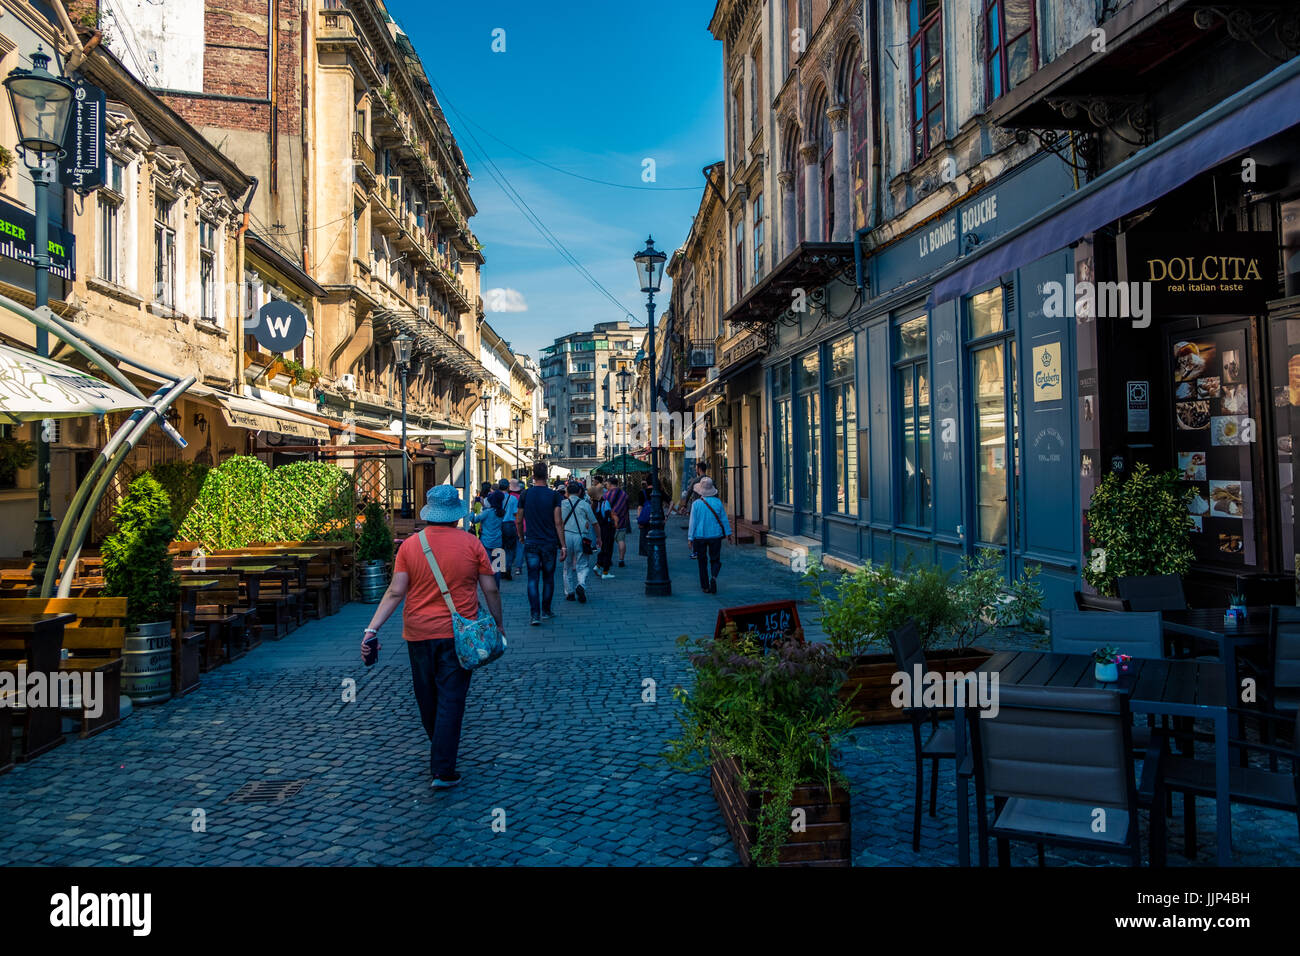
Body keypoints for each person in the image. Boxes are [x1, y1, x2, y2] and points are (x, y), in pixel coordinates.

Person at [361, 484, 504, 789]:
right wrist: (497, 623)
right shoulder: (471, 544)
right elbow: (490, 588)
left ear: (429, 514)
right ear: (455, 515)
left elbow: (395, 591)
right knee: (452, 697)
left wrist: (372, 629)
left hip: (418, 633)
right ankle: (443, 768)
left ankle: (440, 749)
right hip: (460, 634)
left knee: (426, 696)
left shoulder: (410, 546)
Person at [516, 461, 566, 626]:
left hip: (531, 542)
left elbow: (518, 519)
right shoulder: (554, 496)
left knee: (532, 579)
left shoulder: (525, 495)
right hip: (549, 543)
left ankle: (534, 614)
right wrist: (563, 545)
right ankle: (546, 610)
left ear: (533, 475)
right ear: (546, 476)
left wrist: (521, 536)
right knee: (548, 578)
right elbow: (558, 522)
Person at [687, 476, 732, 594]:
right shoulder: (718, 502)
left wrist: (690, 538)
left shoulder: (696, 504)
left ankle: (705, 586)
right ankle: (714, 577)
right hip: (715, 535)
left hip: (700, 536)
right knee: (715, 559)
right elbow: (724, 519)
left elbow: (693, 522)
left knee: (702, 561)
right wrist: (728, 533)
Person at [560, 481, 598, 603]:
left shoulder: (562, 504)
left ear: (567, 492)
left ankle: (569, 592)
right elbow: (595, 523)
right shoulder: (584, 504)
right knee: (582, 564)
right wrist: (599, 538)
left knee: (567, 566)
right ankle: (581, 584)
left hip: (566, 535)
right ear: (580, 491)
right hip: (581, 536)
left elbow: (557, 522)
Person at [471, 482, 506, 587]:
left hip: (486, 541)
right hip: (498, 541)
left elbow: (473, 519)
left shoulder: (487, 512)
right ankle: (497, 587)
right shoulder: (501, 512)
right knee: (498, 567)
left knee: (488, 566)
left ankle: (489, 587)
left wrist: (473, 508)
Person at [604, 476, 630, 569]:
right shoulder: (624, 494)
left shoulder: (606, 495)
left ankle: (608, 559)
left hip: (609, 522)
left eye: (607, 484)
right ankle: (621, 560)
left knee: (608, 542)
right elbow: (627, 509)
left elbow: (604, 509)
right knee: (621, 540)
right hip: (621, 521)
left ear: (610, 484)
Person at [506, 477, 524, 577]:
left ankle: (507, 565)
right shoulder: (521, 497)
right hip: (519, 524)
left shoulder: (506, 497)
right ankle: (518, 567)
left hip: (507, 525)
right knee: (520, 547)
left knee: (509, 548)